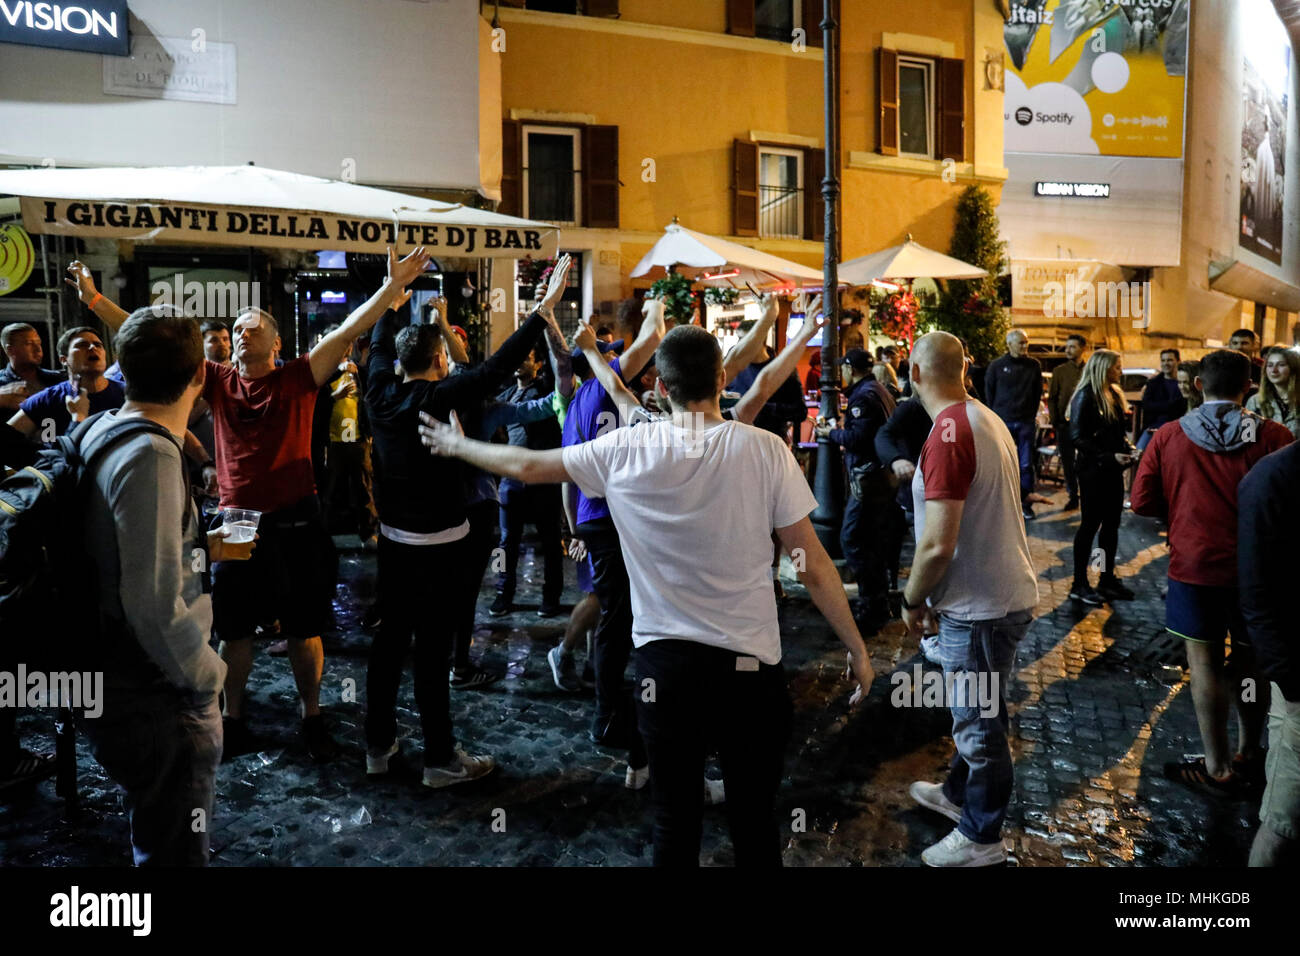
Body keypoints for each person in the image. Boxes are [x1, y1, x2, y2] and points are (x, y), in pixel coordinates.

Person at [418, 323, 875, 867]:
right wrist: (857, 647)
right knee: (755, 823)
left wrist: (456, 444)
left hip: (666, 670)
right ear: (722, 377)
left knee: (673, 826)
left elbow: (528, 466)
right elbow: (812, 564)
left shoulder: (625, 448)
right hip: (750, 670)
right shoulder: (764, 450)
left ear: (661, 386)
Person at [208, 246, 432, 763]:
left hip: (297, 521)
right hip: (237, 524)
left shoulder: (298, 376)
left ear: (277, 341)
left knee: (305, 626)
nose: (242, 332)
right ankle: (232, 717)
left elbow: (350, 328)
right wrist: (95, 300)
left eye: (252, 326)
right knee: (234, 630)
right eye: (237, 327)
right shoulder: (219, 380)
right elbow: (153, 341)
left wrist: (389, 288)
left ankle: (311, 714)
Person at [362, 255, 573, 785]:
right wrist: (542, 311)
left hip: (391, 543)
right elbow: (498, 367)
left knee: (389, 646)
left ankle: (377, 747)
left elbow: (382, 342)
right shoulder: (438, 396)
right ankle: (439, 760)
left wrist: (394, 290)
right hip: (441, 548)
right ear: (438, 361)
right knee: (432, 651)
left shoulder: (379, 392)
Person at [79, 305, 256, 865]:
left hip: (115, 675)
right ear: (202, 372)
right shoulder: (151, 453)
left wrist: (201, 547)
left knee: (157, 831)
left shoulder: (102, 427)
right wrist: (210, 677)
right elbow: (153, 605)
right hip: (158, 693)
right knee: (174, 850)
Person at [900, 331, 1038, 867]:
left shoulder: (950, 431)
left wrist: (912, 599)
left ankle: (982, 837)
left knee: (980, 727)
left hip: (980, 608)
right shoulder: (979, 416)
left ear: (914, 373)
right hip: (995, 598)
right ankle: (958, 798)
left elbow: (937, 544)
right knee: (979, 712)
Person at [1131, 349, 1293, 793]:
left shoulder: (1167, 436)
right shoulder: (1274, 436)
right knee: (1248, 664)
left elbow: (1142, 501)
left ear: (1199, 385)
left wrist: (1182, 511)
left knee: (1203, 664)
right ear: (1249, 387)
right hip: (1256, 570)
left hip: (1195, 567)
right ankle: (1248, 749)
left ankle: (1217, 766)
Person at [1239, 441, 1300, 866]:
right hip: (1296, 683)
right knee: (1283, 823)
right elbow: (1256, 593)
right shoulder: (1274, 476)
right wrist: (1289, 678)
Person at [818, 348, 896, 636]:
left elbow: (859, 439)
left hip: (868, 479)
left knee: (853, 540)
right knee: (870, 541)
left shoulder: (863, 396)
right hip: (879, 477)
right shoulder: (877, 390)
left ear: (851, 369)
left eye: (844, 368)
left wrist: (831, 434)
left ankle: (870, 607)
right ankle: (878, 603)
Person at [490, 343, 566, 617]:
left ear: (537, 364)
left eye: (527, 358)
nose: (521, 362)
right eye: (518, 359)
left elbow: (558, 375)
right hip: (512, 480)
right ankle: (502, 592)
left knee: (550, 541)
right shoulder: (507, 394)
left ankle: (551, 595)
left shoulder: (545, 390)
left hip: (542, 478)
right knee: (506, 542)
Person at [1067, 350, 1137, 607]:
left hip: (1111, 470)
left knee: (1110, 526)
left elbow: (1117, 433)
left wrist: (1128, 450)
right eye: (1117, 366)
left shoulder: (1115, 394)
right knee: (1090, 526)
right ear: (1103, 368)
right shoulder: (1085, 396)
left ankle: (1105, 579)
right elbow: (1076, 437)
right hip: (1093, 471)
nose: (1120, 370)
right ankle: (1079, 583)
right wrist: (1108, 456)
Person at [7, 327, 125, 441]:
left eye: (98, 345)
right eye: (82, 345)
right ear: (64, 359)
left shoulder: (129, 394)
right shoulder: (46, 400)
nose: (92, 347)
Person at [983, 329, 1042, 519]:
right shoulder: (997, 366)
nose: (1025, 346)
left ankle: (1025, 504)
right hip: (1003, 421)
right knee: (1001, 462)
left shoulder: (1034, 365)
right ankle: (1001, 503)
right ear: (1009, 345)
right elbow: (989, 393)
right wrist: (995, 416)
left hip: (1025, 421)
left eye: (1026, 342)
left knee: (1025, 464)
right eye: (1021, 343)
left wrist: (1030, 415)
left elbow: (1037, 393)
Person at [1047, 334, 1086, 509]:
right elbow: (1052, 398)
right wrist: (1056, 421)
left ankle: (1087, 494)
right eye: (1067, 346)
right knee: (1068, 462)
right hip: (1065, 424)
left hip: (1086, 425)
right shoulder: (1060, 371)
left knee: (1086, 461)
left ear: (1082, 348)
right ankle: (1073, 495)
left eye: (1073, 346)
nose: (1068, 350)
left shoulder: (1089, 370)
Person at [0, 323, 64, 412]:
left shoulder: (57, 380)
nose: (38, 349)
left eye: (39, 343)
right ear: (10, 350)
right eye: (29, 343)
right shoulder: (1, 384)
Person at [1245, 346, 1300, 438]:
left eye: (1281, 365)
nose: (1274, 370)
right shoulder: (1254, 402)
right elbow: (1247, 438)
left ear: (1293, 368)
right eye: (1270, 365)